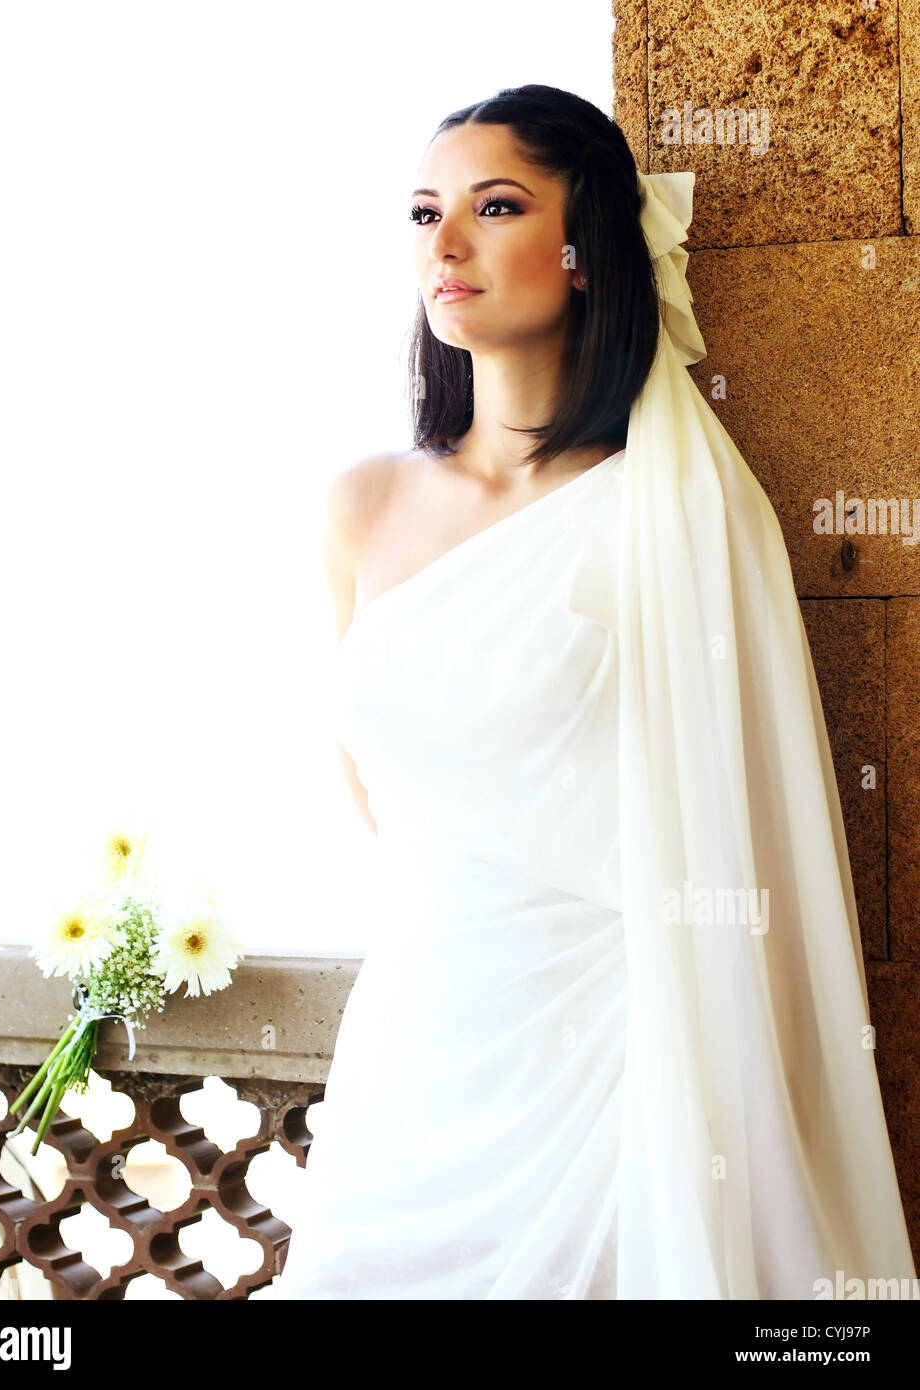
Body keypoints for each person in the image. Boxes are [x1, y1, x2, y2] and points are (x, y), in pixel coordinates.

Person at [272, 83, 916, 1300]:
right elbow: (372, 778)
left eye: (494, 206)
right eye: (423, 213)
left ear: (584, 253)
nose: (443, 245)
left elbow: (735, 822)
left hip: (613, 1062)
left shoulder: (671, 509)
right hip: (413, 1056)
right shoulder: (361, 506)